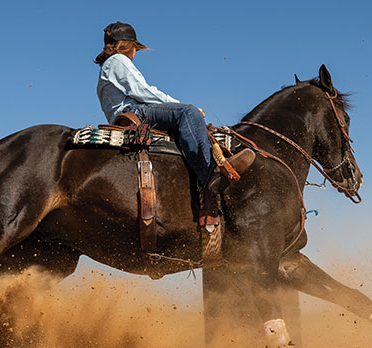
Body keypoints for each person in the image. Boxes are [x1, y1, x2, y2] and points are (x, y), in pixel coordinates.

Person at [94, 22, 254, 226]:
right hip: (135, 112)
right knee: (188, 113)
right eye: (136, 49)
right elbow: (143, 92)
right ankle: (210, 174)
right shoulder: (118, 61)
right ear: (130, 47)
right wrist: (185, 108)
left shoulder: (109, 64)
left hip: (125, 114)